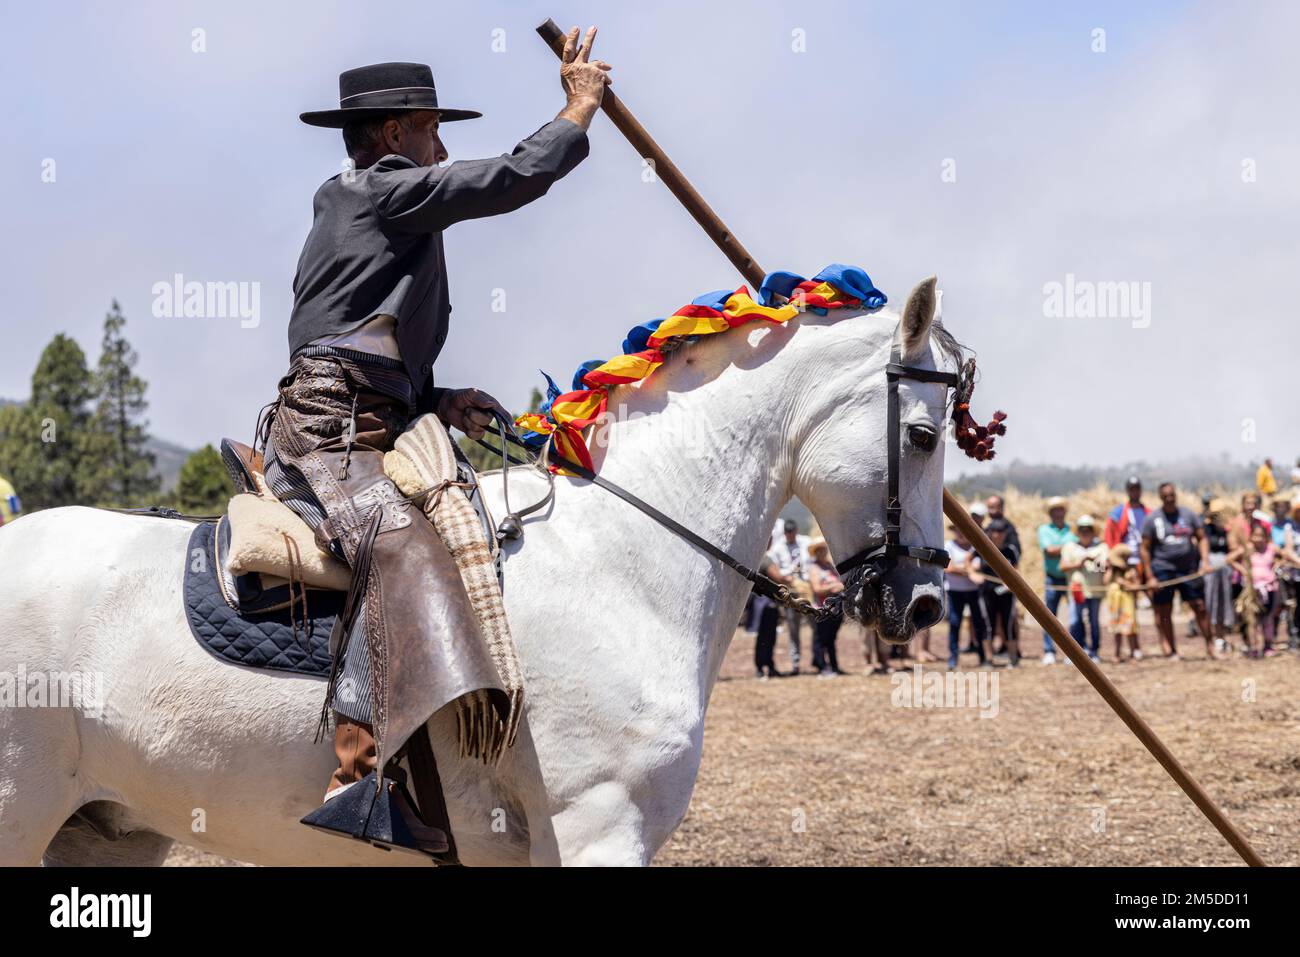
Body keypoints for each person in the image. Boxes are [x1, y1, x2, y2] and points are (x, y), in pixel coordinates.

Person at [262, 37, 612, 856]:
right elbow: (506, 178)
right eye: (429, 129)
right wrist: (579, 107)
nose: (441, 147)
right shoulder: (375, 190)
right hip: (331, 428)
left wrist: (438, 398)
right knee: (405, 548)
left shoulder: (373, 201)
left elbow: (360, 339)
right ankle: (359, 779)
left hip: (369, 411)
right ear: (391, 136)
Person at [1139, 482, 1217, 660]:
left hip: (1188, 568)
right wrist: (1150, 576)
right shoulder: (1153, 519)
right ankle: (1170, 648)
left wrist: (1205, 561)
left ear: (1176, 495)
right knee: (1164, 610)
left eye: (1171, 494)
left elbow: (1202, 538)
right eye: (1165, 496)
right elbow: (1144, 548)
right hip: (1163, 568)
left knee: (1200, 606)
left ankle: (1210, 646)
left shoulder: (1188, 515)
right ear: (1160, 497)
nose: (1169, 498)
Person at [1060, 515, 1108, 662]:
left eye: (1088, 529)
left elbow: (1104, 568)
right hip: (1077, 590)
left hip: (1095, 591)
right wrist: (1079, 563)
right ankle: (1075, 652)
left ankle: (1094, 652)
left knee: (1094, 622)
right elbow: (1063, 566)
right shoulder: (1070, 547)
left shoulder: (1101, 548)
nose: (1085, 532)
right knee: (1075, 621)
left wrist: (1094, 562)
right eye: (1082, 529)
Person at [1229, 524, 1281, 656]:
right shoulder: (1247, 549)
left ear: (1266, 537)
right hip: (1251, 589)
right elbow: (1229, 559)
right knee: (1252, 619)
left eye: (1261, 536)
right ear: (1251, 536)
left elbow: (1285, 556)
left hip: (1269, 588)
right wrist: (1244, 571)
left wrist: (1277, 567)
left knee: (1268, 617)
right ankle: (1254, 646)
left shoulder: (1271, 549)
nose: (1258, 539)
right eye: (1255, 535)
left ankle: (1268, 645)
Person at [1037, 496, 1077, 665]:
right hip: (1052, 578)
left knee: (1074, 616)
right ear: (1050, 513)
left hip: (1070, 578)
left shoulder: (1071, 530)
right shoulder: (1044, 530)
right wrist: (1068, 548)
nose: (1058, 513)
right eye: (1054, 510)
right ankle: (1049, 650)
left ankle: (1073, 652)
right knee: (1049, 616)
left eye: (1060, 510)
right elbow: (1049, 551)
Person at [976, 518, 1020, 666]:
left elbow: (1016, 569)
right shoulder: (982, 548)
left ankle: (1013, 658)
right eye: (994, 531)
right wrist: (973, 574)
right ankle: (988, 659)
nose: (997, 534)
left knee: (1008, 624)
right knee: (988, 625)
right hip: (987, 592)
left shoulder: (1010, 550)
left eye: (1000, 531)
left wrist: (1011, 584)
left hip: (1006, 593)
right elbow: (968, 562)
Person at [944, 524, 989, 668]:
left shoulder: (975, 547)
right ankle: (953, 658)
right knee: (954, 623)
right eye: (958, 530)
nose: (961, 534)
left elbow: (978, 567)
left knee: (978, 624)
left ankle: (982, 656)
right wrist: (968, 570)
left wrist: (962, 568)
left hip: (974, 591)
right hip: (954, 591)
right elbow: (948, 568)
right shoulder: (949, 545)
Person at [772, 518, 812, 674]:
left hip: (807, 588)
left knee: (815, 625)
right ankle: (795, 662)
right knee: (793, 628)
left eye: (792, 533)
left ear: (796, 531)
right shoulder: (778, 548)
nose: (790, 536)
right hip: (791, 592)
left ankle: (819, 659)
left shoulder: (806, 542)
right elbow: (774, 568)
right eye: (787, 534)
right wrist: (787, 575)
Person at [1202, 498, 1237, 654]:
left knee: (1224, 602)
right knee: (1211, 602)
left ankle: (1222, 635)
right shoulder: (1205, 530)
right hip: (1211, 569)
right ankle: (1212, 637)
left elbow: (1233, 549)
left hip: (1225, 570)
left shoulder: (1228, 530)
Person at [808, 539, 846, 677]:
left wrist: (836, 586)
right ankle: (821, 665)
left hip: (835, 607)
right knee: (821, 638)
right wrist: (833, 587)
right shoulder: (814, 568)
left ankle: (834, 665)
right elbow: (817, 589)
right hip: (822, 608)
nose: (823, 552)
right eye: (820, 550)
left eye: (824, 549)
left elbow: (841, 582)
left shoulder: (830, 566)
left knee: (831, 638)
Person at [753, 537, 789, 679]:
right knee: (765, 638)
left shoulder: (758, 558)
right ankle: (762, 667)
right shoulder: (765, 559)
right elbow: (779, 578)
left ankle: (767, 665)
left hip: (763, 604)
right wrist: (792, 575)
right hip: (766, 605)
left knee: (767, 637)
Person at [1104, 544, 1143, 662]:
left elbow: (1137, 587)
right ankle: (1116, 653)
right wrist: (1110, 568)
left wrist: (1125, 583)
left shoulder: (1131, 570)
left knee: (1129, 629)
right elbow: (1105, 581)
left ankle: (1132, 653)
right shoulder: (1111, 570)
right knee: (1116, 630)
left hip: (1127, 604)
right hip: (1115, 604)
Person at [1104, 476, 1149, 574]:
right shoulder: (1117, 513)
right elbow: (1110, 537)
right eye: (1132, 489)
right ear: (1127, 491)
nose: (1135, 492)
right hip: (1124, 561)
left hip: (1145, 561)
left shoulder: (1148, 513)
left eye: (1137, 489)